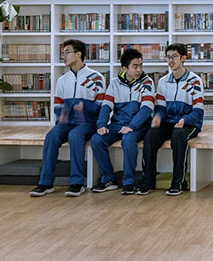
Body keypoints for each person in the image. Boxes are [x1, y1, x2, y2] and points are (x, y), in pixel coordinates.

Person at [31, 39, 107, 196]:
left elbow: (101, 106)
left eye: (67, 52)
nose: (63, 56)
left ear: (78, 54)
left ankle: (77, 183)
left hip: (87, 123)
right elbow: (58, 106)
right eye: (63, 53)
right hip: (66, 122)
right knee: (51, 136)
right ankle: (45, 183)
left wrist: (83, 109)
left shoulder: (96, 78)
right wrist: (62, 119)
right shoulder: (62, 80)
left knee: (75, 135)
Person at [89, 48, 155, 194]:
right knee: (96, 140)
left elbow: (146, 109)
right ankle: (108, 180)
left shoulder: (147, 82)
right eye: (135, 66)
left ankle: (128, 183)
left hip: (139, 125)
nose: (139, 70)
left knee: (128, 140)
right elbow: (106, 106)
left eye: (141, 65)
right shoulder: (114, 83)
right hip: (117, 124)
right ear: (125, 68)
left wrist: (132, 126)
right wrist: (101, 125)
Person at [140, 43, 204, 195]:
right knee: (150, 136)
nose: (170, 61)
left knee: (178, 136)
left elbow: (198, 112)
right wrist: (158, 117)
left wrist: (185, 120)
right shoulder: (163, 82)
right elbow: (161, 108)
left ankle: (178, 183)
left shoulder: (195, 81)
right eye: (168, 57)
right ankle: (147, 182)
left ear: (183, 58)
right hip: (168, 122)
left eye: (174, 57)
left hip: (189, 123)